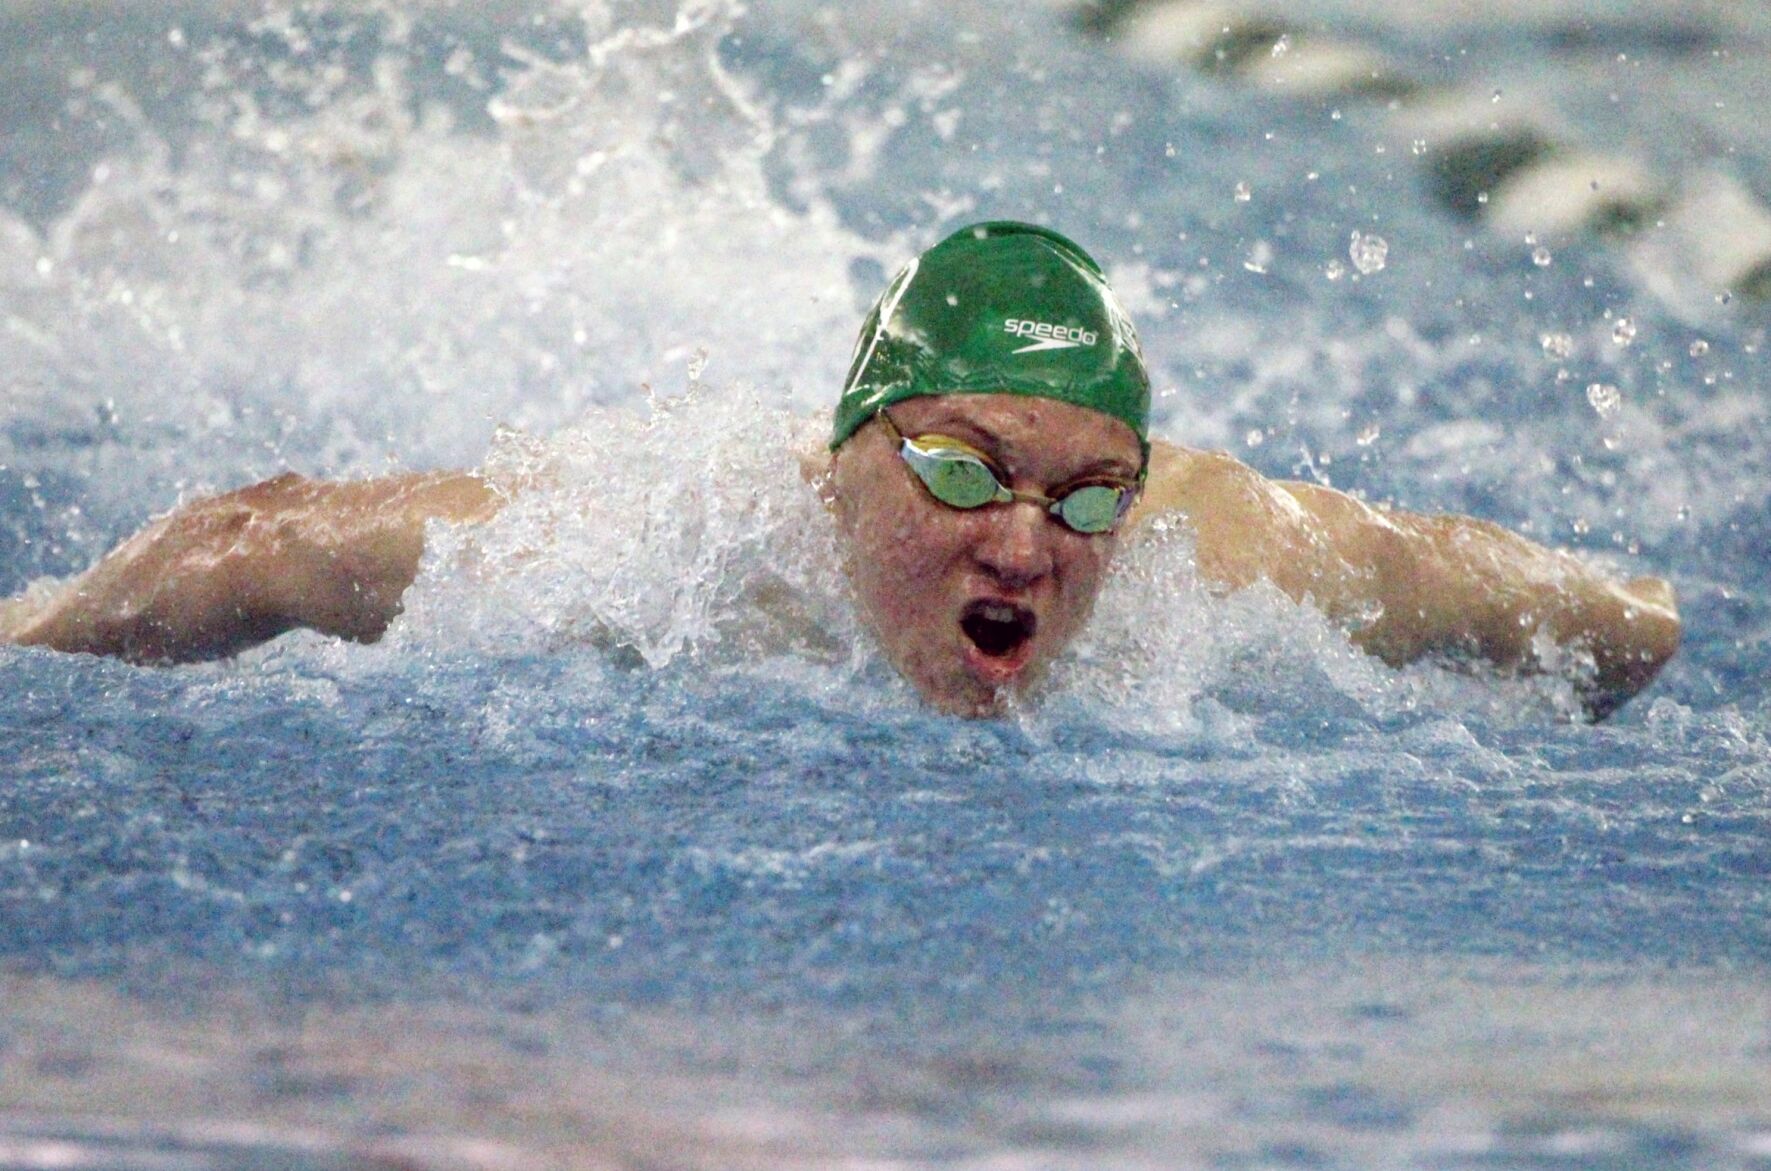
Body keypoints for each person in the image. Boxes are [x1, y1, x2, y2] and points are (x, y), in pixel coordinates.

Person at [2, 222, 1680, 719]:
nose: (1029, 542)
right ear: (852, 454)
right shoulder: (648, 543)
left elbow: (1619, 619)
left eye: (1089, 489)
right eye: (967, 473)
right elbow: (257, 543)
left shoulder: (1225, 558)